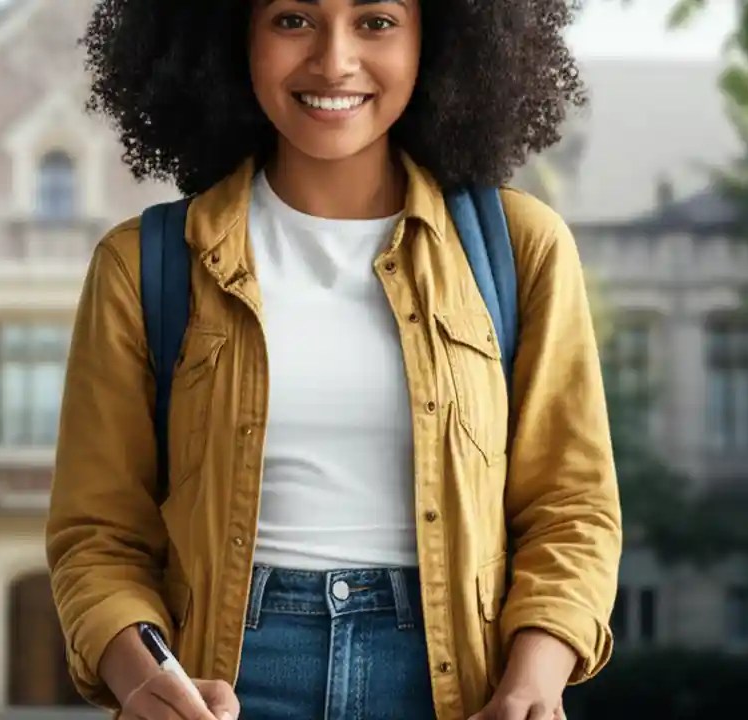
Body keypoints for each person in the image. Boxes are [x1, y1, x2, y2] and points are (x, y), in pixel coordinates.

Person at [46, 1, 622, 718]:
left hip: (456, 688)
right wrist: (140, 679)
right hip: (226, 686)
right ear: (234, 37)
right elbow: (98, 535)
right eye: (292, 20)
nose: (334, 60)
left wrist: (534, 682)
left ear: (434, 41)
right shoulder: (143, 266)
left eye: (376, 21)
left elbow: (572, 509)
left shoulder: (520, 249)